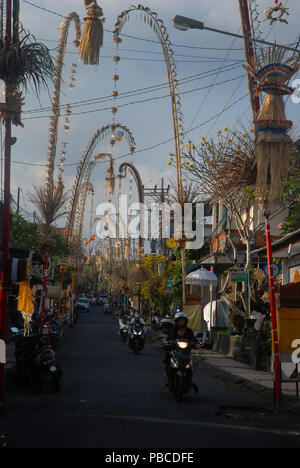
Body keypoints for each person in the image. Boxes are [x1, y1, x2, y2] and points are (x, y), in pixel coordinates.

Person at [163, 312, 200, 386]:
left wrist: (197, 344)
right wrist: (167, 342)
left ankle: (189, 380)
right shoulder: (173, 331)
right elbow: (168, 339)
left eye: (183, 321)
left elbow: (194, 340)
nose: (181, 322)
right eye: (179, 321)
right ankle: (168, 378)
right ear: (176, 321)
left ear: (185, 321)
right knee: (166, 362)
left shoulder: (189, 331)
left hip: (186, 353)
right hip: (174, 352)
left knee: (191, 365)